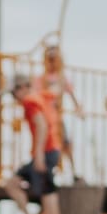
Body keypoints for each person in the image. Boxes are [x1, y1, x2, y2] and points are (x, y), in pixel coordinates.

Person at [3, 77, 62, 214]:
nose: (14, 99)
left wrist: (38, 155)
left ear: (22, 88)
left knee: (49, 198)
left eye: (14, 94)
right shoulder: (41, 96)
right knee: (12, 183)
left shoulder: (29, 102)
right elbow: (56, 89)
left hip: (46, 152)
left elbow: (41, 125)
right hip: (51, 151)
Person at [33, 42, 81, 179]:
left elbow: (72, 95)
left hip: (57, 117)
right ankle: (47, 170)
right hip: (44, 117)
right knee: (47, 145)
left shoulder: (61, 78)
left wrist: (78, 108)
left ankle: (73, 170)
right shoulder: (40, 79)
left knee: (65, 142)